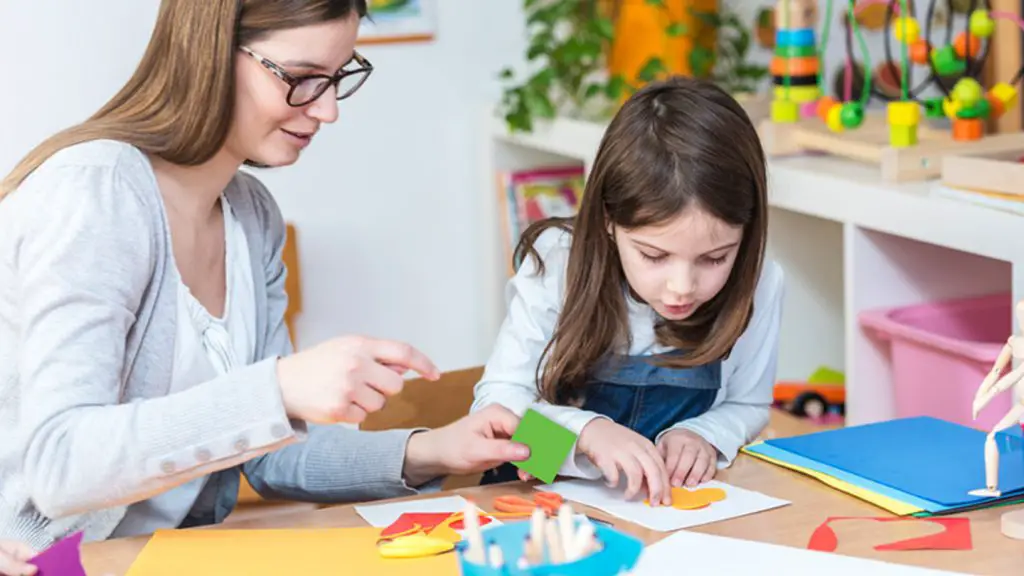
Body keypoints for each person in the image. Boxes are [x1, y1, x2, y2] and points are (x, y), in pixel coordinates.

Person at [0, 0, 528, 552]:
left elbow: (270, 450)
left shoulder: (251, 216)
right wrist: (276, 389)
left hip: (164, 557)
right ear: (208, 55)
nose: (327, 111)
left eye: (337, 77)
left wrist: (433, 449)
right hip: (49, 559)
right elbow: (60, 463)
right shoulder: (94, 195)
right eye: (301, 79)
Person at [472, 76, 784, 505]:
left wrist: (702, 435)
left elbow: (749, 406)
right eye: (654, 257)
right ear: (607, 219)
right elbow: (497, 409)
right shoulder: (557, 263)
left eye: (715, 259)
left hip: (665, 512)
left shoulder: (760, 281)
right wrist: (586, 435)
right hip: (536, 496)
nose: (682, 287)